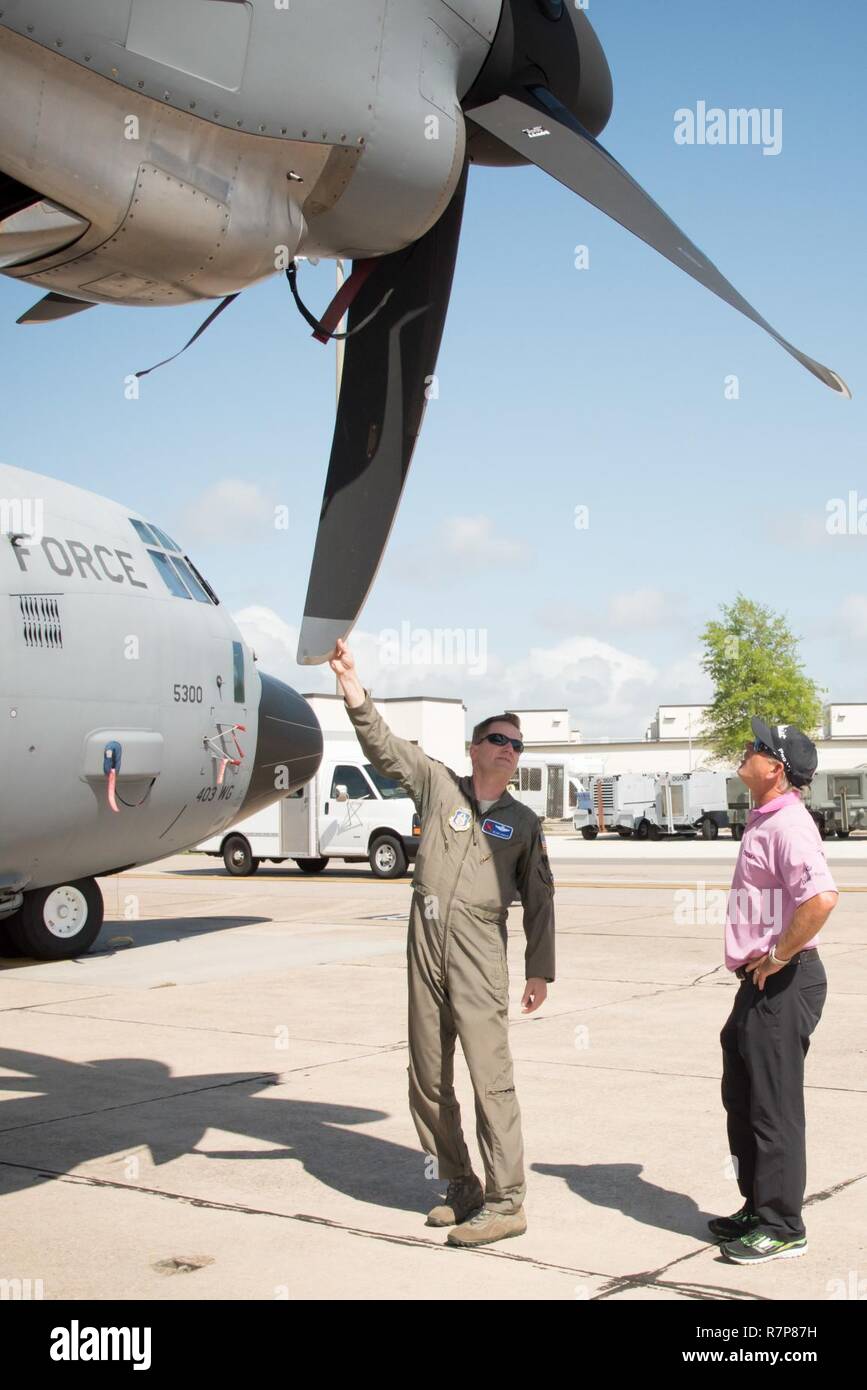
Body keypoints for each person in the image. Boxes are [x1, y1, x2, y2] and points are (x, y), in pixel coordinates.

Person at [328, 638, 555, 1247]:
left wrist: (539, 971)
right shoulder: (438, 786)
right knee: (427, 1074)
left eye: (518, 745)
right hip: (424, 940)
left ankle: (508, 1199)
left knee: (490, 1076)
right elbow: (384, 745)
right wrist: (351, 683)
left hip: (481, 949)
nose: (510, 750)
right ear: (474, 748)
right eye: (500, 740)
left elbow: (539, 900)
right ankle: (462, 1184)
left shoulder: (524, 823)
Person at [711, 717, 838, 1264]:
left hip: (785, 980)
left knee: (773, 1108)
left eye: (756, 748)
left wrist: (780, 954)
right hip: (759, 982)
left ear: (776, 769)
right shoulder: (764, 818)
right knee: (743, 1097)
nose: (746, 751)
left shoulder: (789, 826)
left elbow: (821, 900)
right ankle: (758, 1205)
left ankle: (784, 1225)